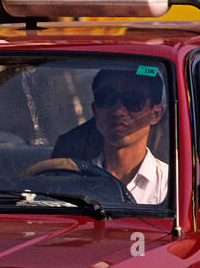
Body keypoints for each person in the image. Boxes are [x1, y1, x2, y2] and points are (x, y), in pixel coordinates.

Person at [24, 68, 169, 204]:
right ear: (95, 110)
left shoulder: (171, 185)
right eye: (106, 98)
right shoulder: (66, 182)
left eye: (133, 100)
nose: (118, 111)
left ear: (156, 114)